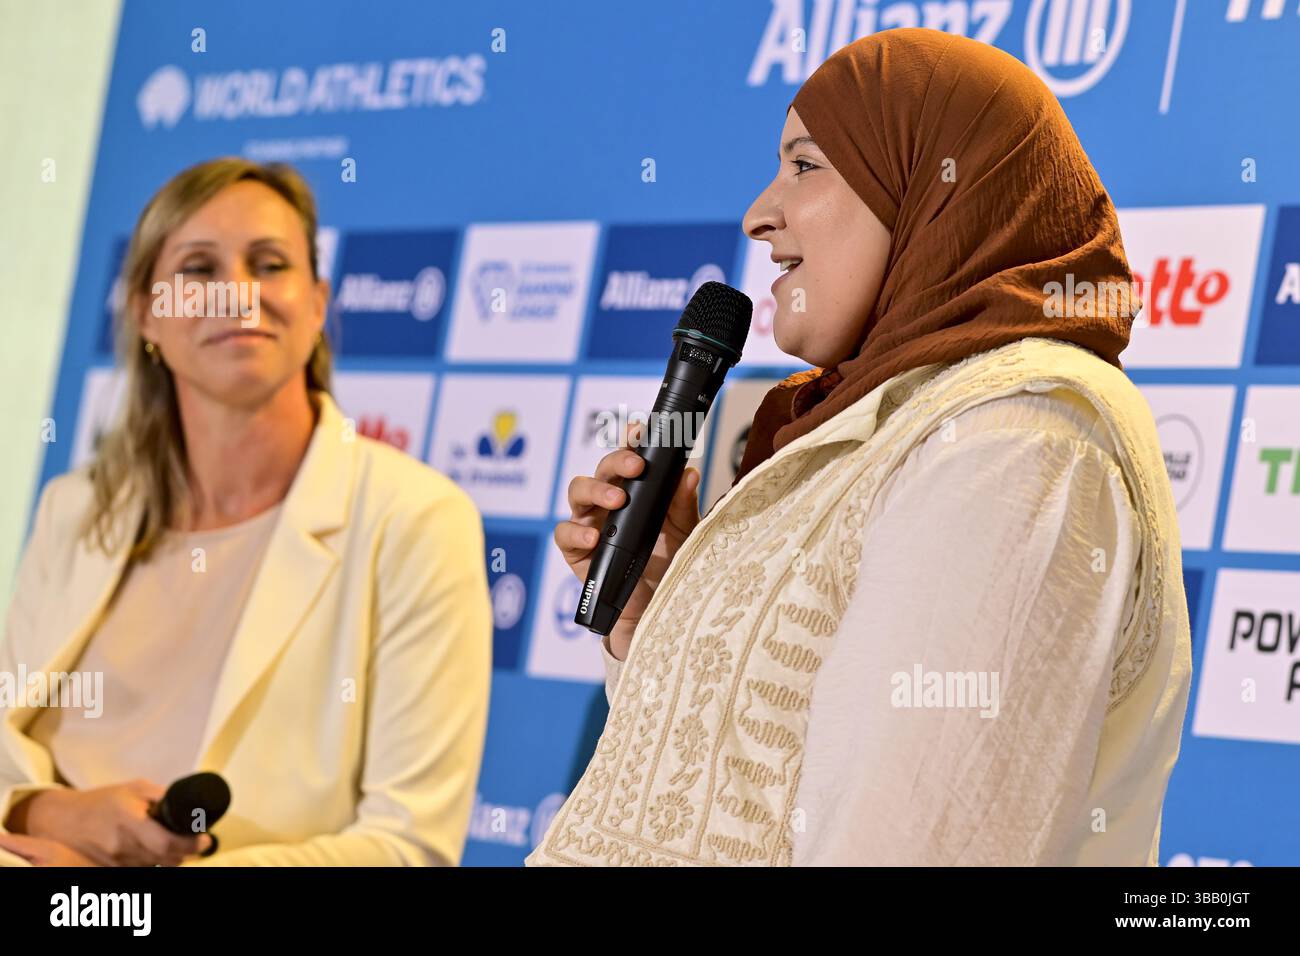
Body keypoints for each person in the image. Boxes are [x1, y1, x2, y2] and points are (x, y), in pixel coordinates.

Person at [528, 28, 1191, 866]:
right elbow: (734, 801)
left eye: (806, 166)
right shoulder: (875, 423)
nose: (759, 213)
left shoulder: (1016, 440)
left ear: (930, 185)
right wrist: (654, 616)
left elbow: (919, 840)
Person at [0, 158, 491, 867]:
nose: (237, 294)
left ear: (317, 302)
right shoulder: (72, 510)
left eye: (269, 264)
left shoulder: (415, 521)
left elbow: (407, 847)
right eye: (198, 269)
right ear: (146, 314)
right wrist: (44, 810)